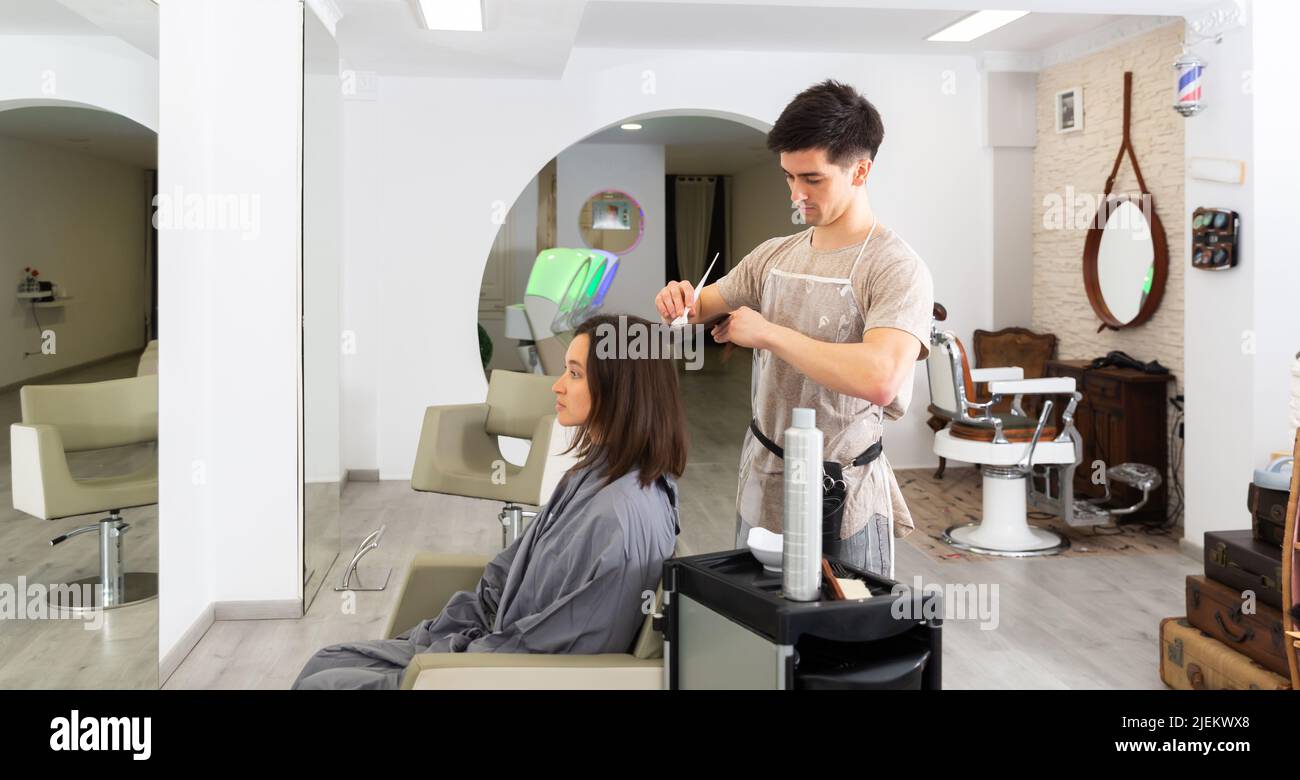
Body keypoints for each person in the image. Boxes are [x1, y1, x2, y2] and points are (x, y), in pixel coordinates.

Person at [292, 313, 686, 689]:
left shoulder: (616, 518)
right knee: (325, 662)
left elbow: (554, 651)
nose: (557, 385)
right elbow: (505, 577)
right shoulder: (594, 474)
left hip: (495, 673)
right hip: (483, 652)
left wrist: (454, 661)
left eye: (575, 374)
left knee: (324, 682)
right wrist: (439, 636)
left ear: (619, 392)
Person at [654, 79, 934, 579]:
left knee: (838, 641)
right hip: (764, 476)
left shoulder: (895, 267)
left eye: (813, 179)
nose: (796, 194)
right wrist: (679, 298)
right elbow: (698, 308)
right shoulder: (773, 255)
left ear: (861, 170)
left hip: (839, 490)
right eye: (788, 177)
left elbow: (881, 377)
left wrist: (768, 333)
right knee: (756, 627)